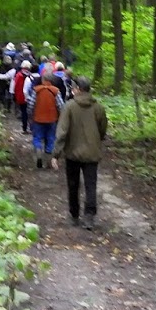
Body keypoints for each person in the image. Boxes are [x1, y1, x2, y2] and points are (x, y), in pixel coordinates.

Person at [54, 75, 108, 230]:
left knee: (73, 184)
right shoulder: (98, 107)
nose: (72, 90)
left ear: (77, 89)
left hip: (73, 153)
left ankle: (74, 215)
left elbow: (62, 131)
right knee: (91, 185)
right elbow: (102, 129)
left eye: (73, 88)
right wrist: (97, 140)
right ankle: (89, 217)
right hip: (92, 152)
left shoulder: (69, 107)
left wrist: (56, 154)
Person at [29, 72, 64, 169]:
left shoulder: (36, 90)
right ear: (51, 81)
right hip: (52, 119)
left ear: (42, 80)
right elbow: (61, 106)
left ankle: (38, 150)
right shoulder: (55, 91)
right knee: (51, 138)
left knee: (37, 137)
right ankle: (48, 159)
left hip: (38, 118)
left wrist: (30, 115)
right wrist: (61, 116)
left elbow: (31, 104)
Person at [11, 60, 33, 134]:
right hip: (30, 96)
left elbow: (16, 85)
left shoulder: (19, 75)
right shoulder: (30, 75)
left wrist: (14, 94)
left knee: (24, 112)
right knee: (30, 112)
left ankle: (24, 128)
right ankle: (31, 127)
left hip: (21, 96)